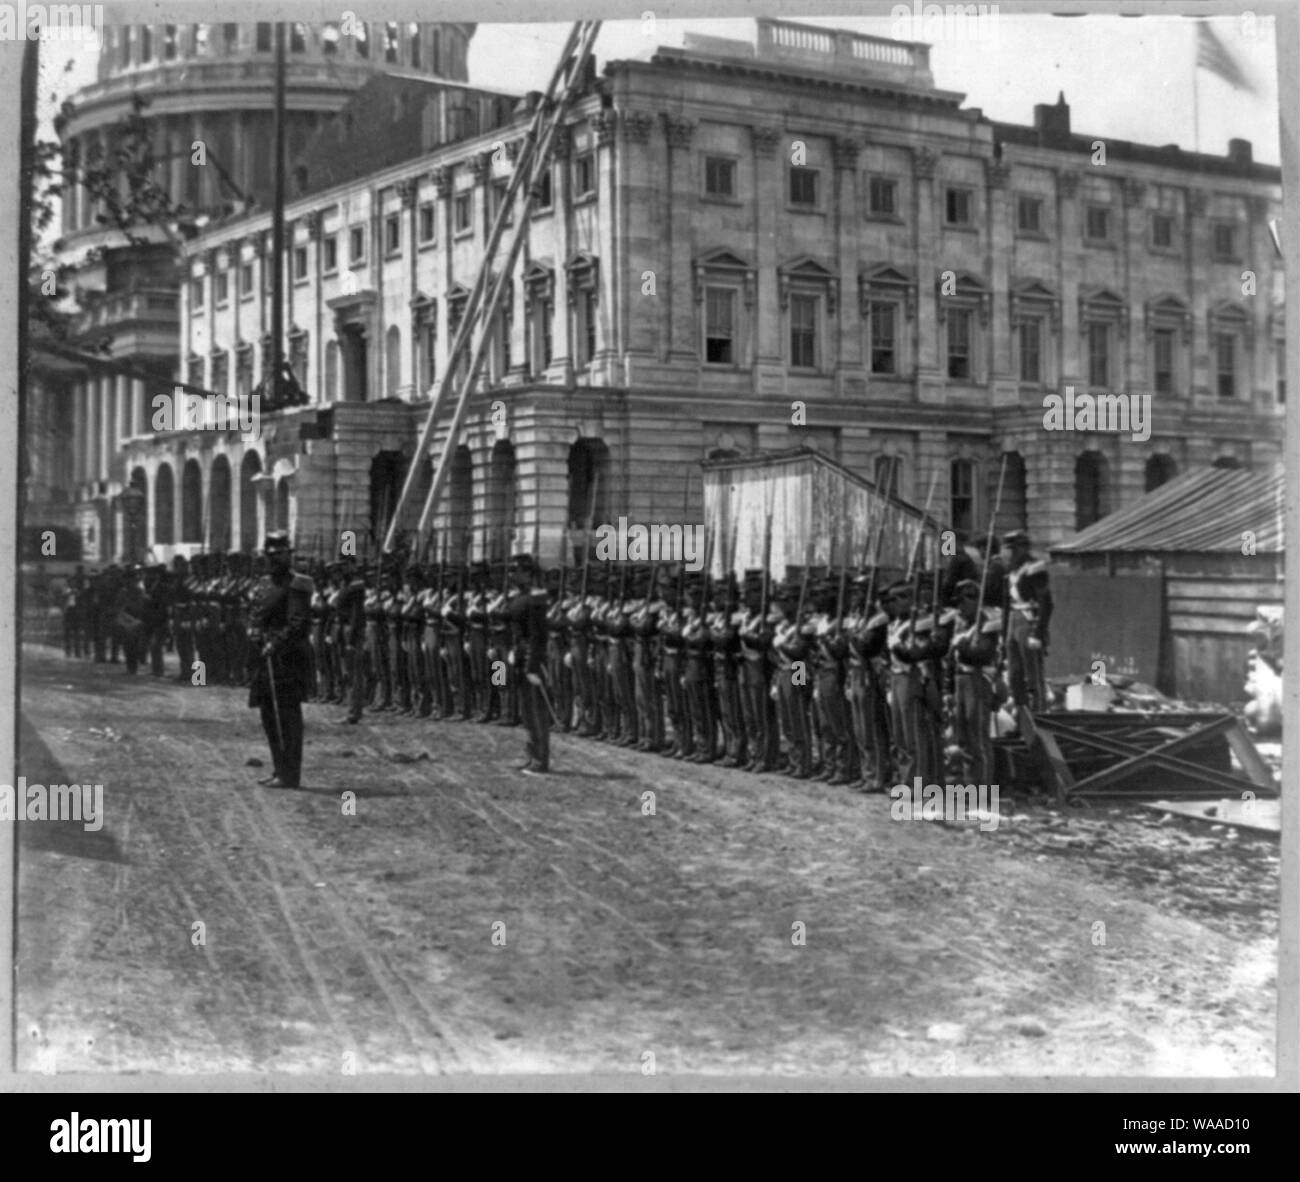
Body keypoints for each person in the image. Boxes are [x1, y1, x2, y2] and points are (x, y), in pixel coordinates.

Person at [247, 531, 314, 789]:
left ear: (289, 555)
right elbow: (255, 614)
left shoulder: (298, 584)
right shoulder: (263, 584)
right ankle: (278, 769)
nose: (275, 559)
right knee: (269, 717)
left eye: (280, 554)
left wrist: (275, 643)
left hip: (287, 661)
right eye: (271, 554)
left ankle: (290, 774)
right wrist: (251, 630)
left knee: (287, 718)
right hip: (264, 661)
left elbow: (299, 623)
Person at [506, 553, 553, 774]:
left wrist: (533, 666)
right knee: (526, 710)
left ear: (528, 573)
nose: (511, 574)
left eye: (516, 570)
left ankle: (541, 759)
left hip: (532, 658)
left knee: (537, 712)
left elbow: (538, 635)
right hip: (520, 654)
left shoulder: (537, 596)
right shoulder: (520, 595)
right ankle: (532, 753)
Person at [1000, 529, 1053, 714]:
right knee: (1014, 675)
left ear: (1024, 548)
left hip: (1028, 620)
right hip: (1014, 621)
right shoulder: (1011, 570)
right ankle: (1022, 716)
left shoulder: (1034, 567)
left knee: (1033, 675)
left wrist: (1037, 632)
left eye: (1014, 549)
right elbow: (1008, 603)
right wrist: (1003, 632)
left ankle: (1038, 714)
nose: (1010, 553)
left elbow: (1046, 602)